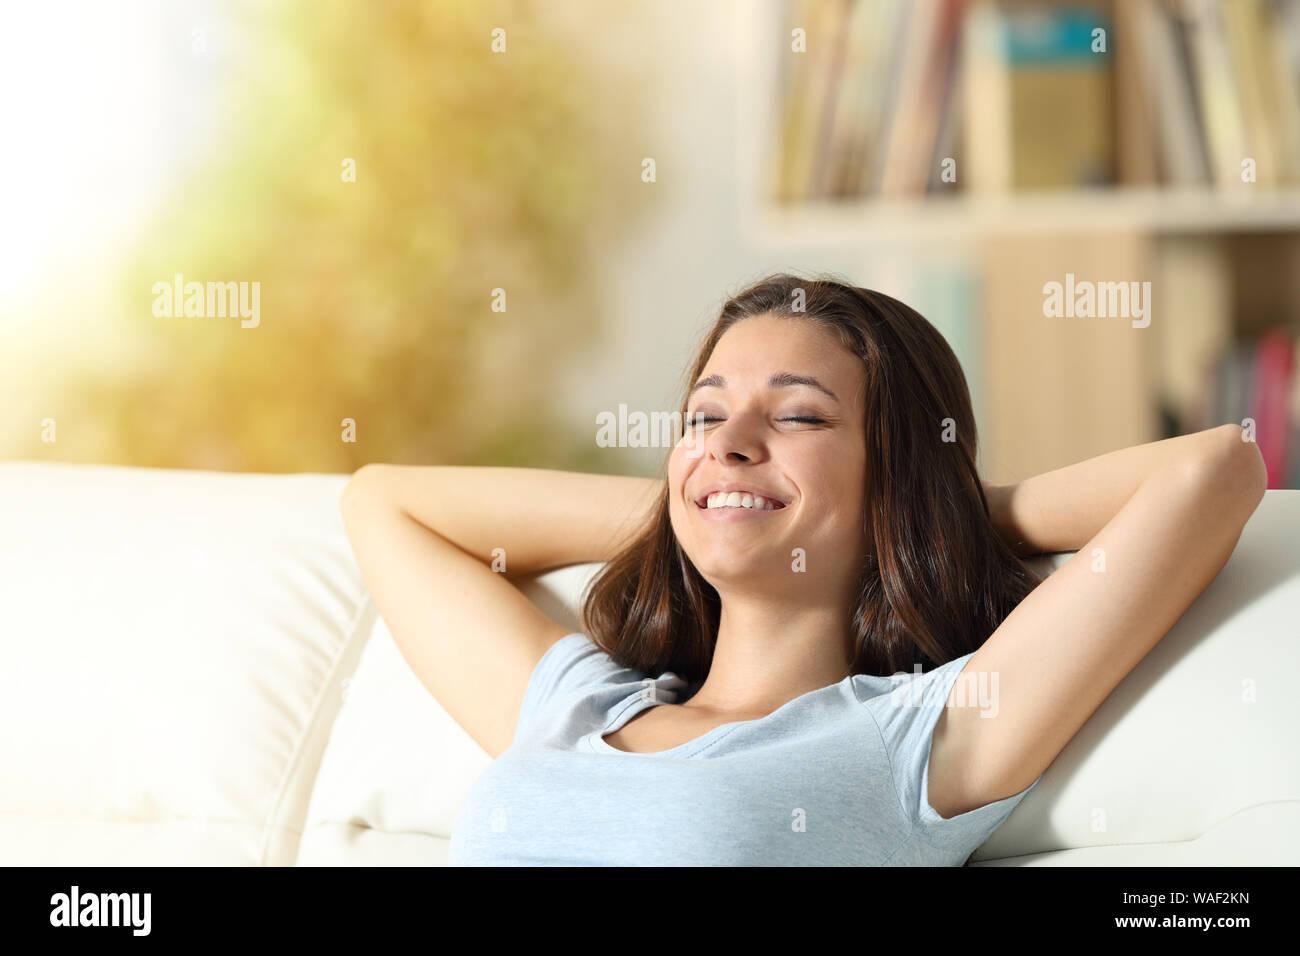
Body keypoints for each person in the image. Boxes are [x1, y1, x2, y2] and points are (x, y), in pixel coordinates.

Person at [340, 273, 1266, 865]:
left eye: (800, 417)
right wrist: (702, 498)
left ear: (893, 469)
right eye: (704, 417)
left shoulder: (917, 739)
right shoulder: (576, 705)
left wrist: (925, 505)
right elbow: (382, 502)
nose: (730, 441)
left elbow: (1214, 470)